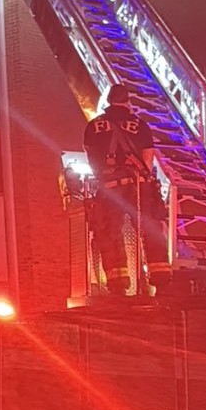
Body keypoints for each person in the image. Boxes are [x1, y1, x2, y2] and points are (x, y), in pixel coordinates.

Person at [82, 83, 170, 297]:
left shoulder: (94, 126)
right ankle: (162, 281)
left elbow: (92, 158)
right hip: (139, 185)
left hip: (111, 187)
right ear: (127, 102)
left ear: (109, 102)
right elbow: (148, 157)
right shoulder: (140, 125)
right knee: (150, 229)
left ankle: (118, 284)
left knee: (109, 232)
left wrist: (105, 178)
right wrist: (145, 178)